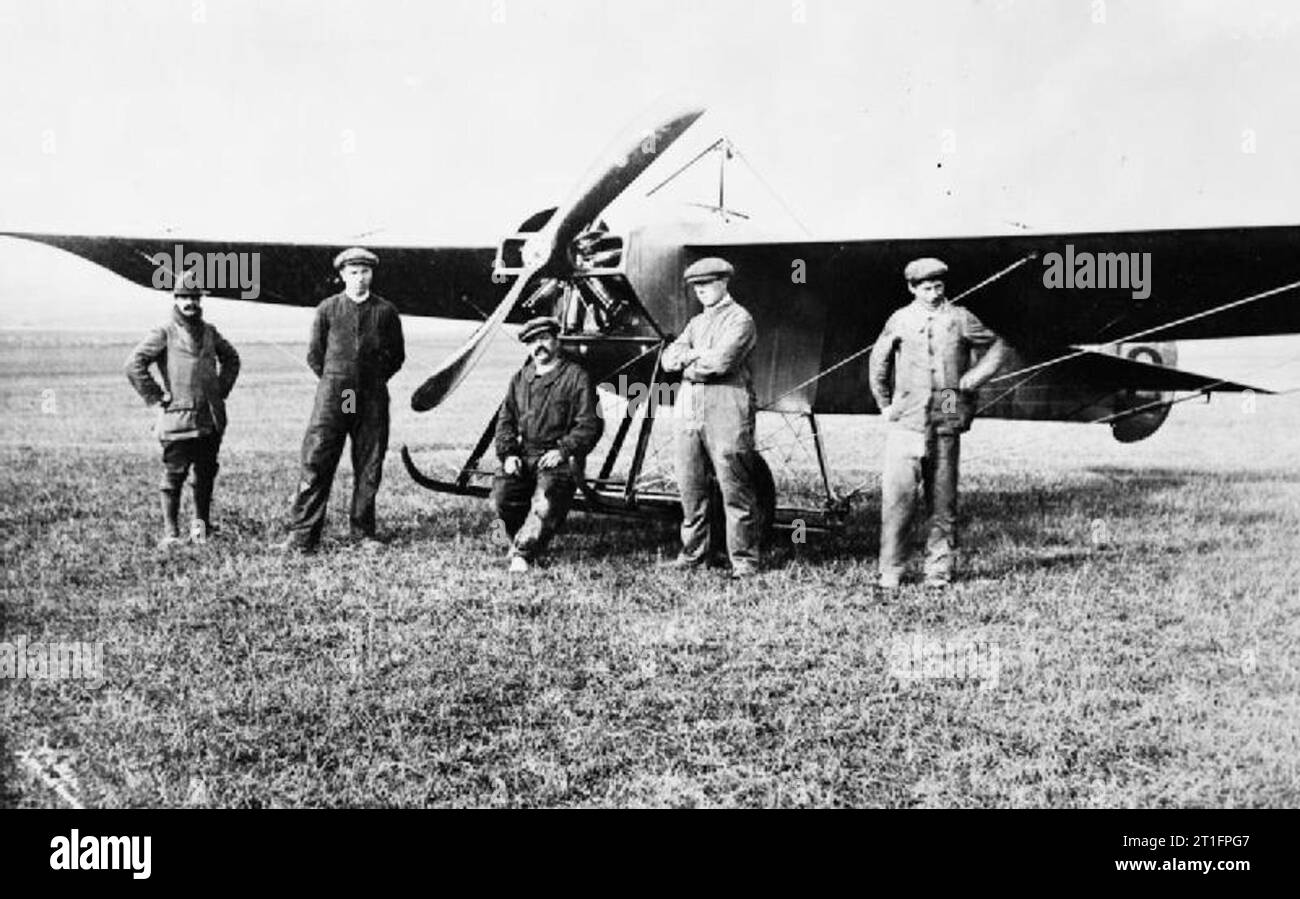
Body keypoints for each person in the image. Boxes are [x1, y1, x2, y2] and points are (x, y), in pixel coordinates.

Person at [868, 257, 1007, 592]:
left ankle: (938, 572)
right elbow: (879, 362)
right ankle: (891, 572)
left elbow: (998, 347)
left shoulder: (959, 319)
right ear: (912, 288)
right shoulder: (900, 320)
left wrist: (971, 379)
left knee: (942, 503)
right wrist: (885, 404)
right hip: (907, 421)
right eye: (926, 288)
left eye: (938, 287)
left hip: (945, 410)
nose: (932, 294)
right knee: (898, 501)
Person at [280, 247, 405, 553]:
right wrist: (341, 380)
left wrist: (371, 381)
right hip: (338, 397)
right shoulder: (328, 309)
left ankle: (363, 534)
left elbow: (396, 356)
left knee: (368, 463)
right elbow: (315, 355)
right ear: (342, 276)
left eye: (365, 272)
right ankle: (303, 535)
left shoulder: (386, 311)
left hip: (371, 398)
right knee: (318, 459)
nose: (360, 278)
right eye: (353, 272)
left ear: (372, 274)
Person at [659, 256, 762, 579]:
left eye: (707, 284)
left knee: (735, 487)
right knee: (690, 486)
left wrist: (688, 360)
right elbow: (667, 360)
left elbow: (720, 364)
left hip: (727, 408)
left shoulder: (740, 320)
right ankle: (693, 554)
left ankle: (744, 561)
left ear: (724, 282)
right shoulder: (696, 323)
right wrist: (695, 356)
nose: (701, 291)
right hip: (689, 409)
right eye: (696, 287)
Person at [125, 273, 240, 548]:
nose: (190, 302)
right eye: (185, 297)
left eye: (195, 297)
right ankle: (171, 534)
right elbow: (134, 364)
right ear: (176, 299)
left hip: (209, 420)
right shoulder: (164, 332)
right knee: (173, 476)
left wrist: (219, 390)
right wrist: (156, 395)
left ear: (201, 300)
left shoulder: (210, 332)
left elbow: (232, 359)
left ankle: (200, 530)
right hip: (177, 419)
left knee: (204, 477)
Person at [491, 316, 603, 572]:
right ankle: (518, 537)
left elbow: (590, 423)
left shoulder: (576, 377)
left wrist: (564, 451)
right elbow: (505, 420)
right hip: (524, 453)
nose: (538, 346)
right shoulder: (520, 378)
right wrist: (508, 454)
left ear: (556, 340)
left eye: (543, 339)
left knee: (547, 498)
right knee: (502, 497)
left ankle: (523, 553)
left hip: (559, 457)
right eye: (531, 341)